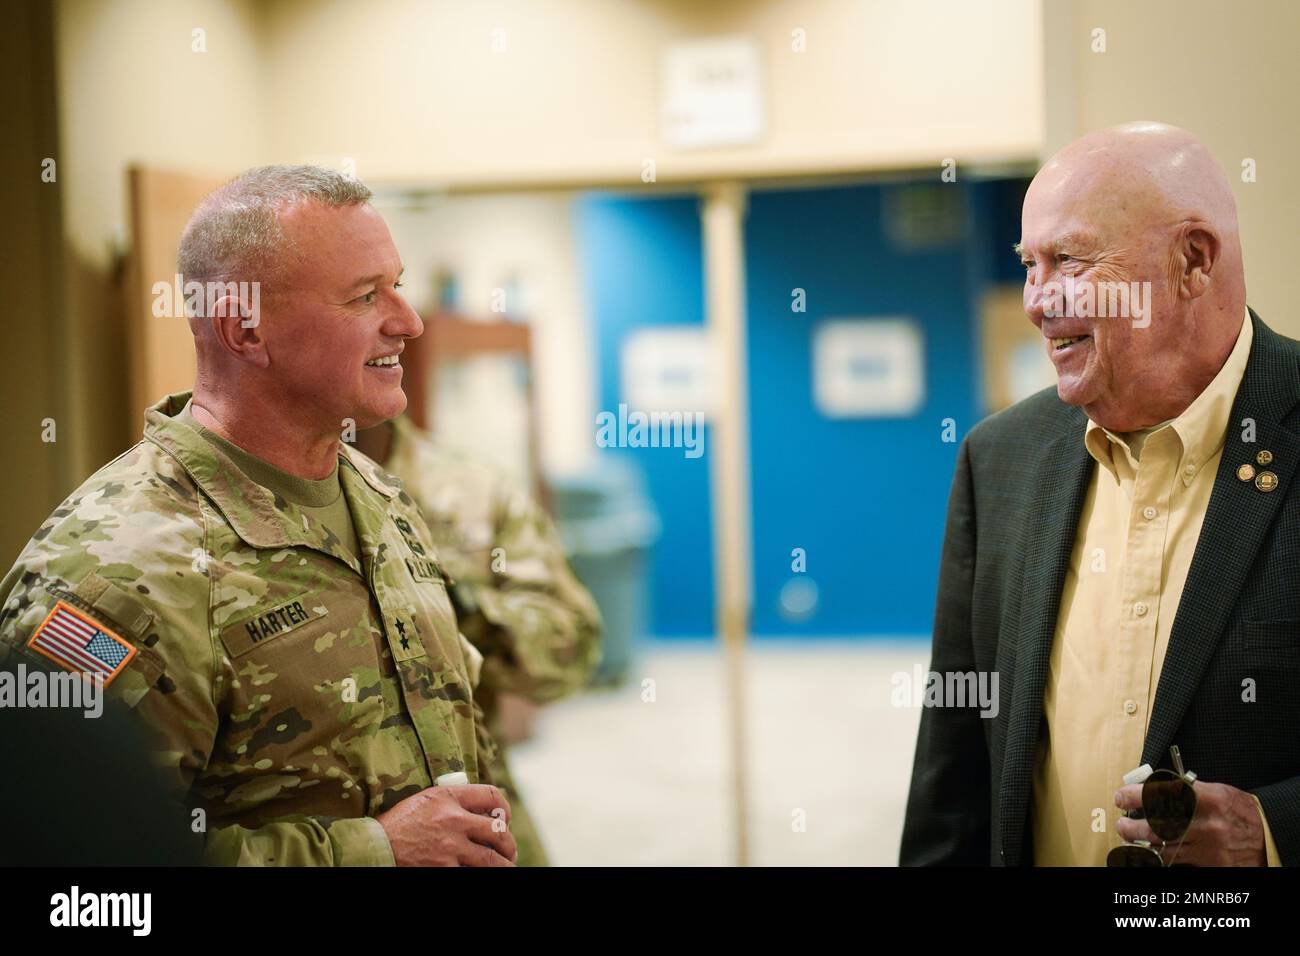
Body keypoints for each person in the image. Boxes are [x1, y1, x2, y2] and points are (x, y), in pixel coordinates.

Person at [0, 165, 516, 866]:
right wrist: (371, 851)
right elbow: (72, 873)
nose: (409, 320)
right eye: (366, 296)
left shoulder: (376, 494)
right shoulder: (113, 567)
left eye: (397, 283)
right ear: (245, 328)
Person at [901, 122, 1297, 867]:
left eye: (1069, 261)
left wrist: (1270, 833)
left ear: (1193, 260)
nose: (1037, 301)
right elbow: (954, 752)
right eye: (1028, 265)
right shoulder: (1001, 461)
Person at [355, 416, 602, 866]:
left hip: (477, 821)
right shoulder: (214, 500)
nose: (397, 339)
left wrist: (463, 608)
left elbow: (574, 649)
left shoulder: (472, 490)